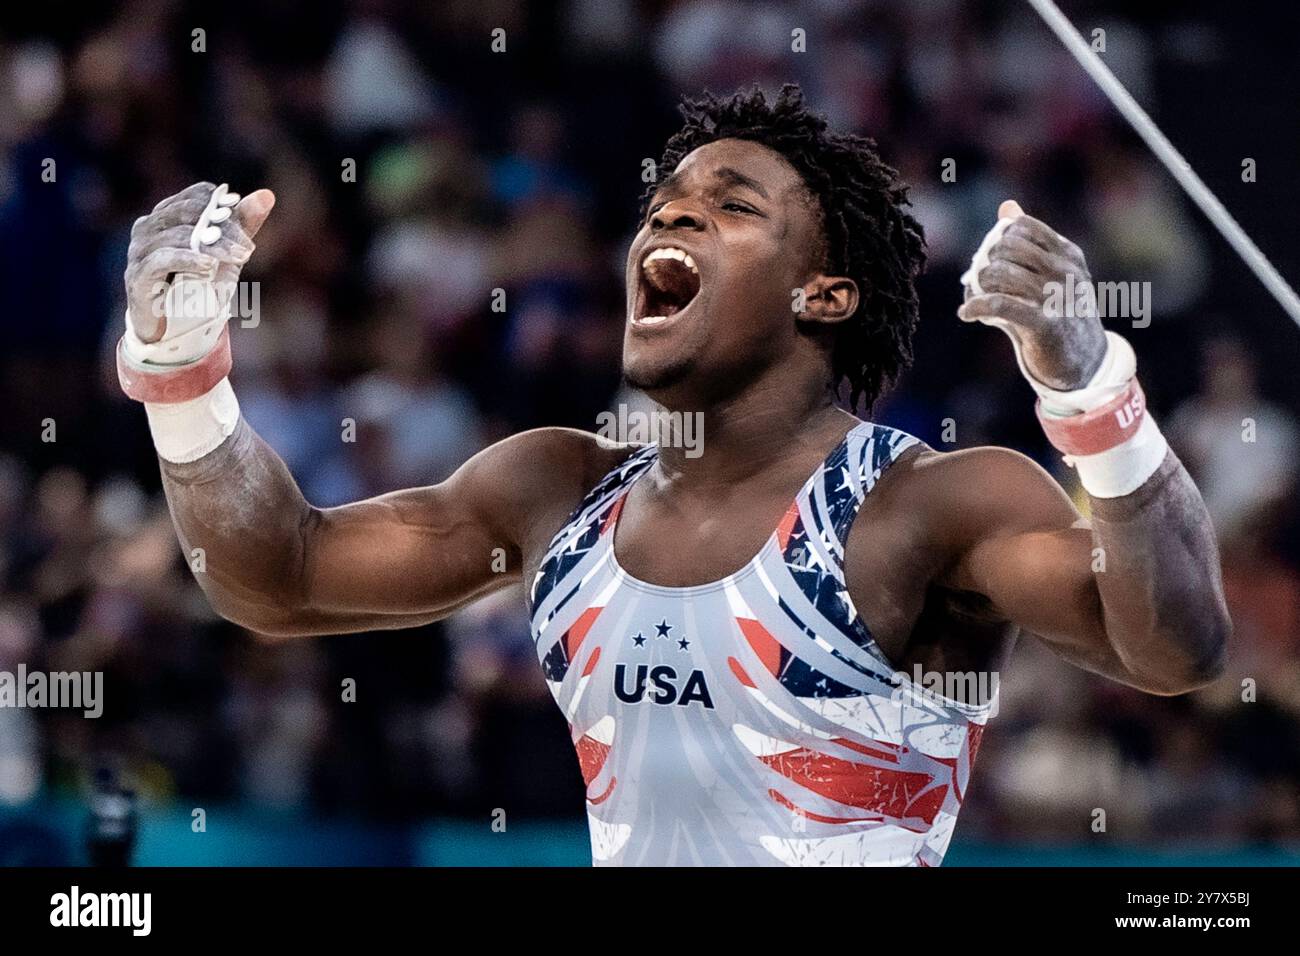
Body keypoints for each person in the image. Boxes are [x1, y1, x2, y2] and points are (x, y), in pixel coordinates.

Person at [116, 85, 1229, 866]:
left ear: (825, 294)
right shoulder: (557, 489)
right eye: (662, 205)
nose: (673, 212)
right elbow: (277, 575)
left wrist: (1094, 397)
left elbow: (1174, 645)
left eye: (732, 204)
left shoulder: (927, 506)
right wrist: (183, 378)